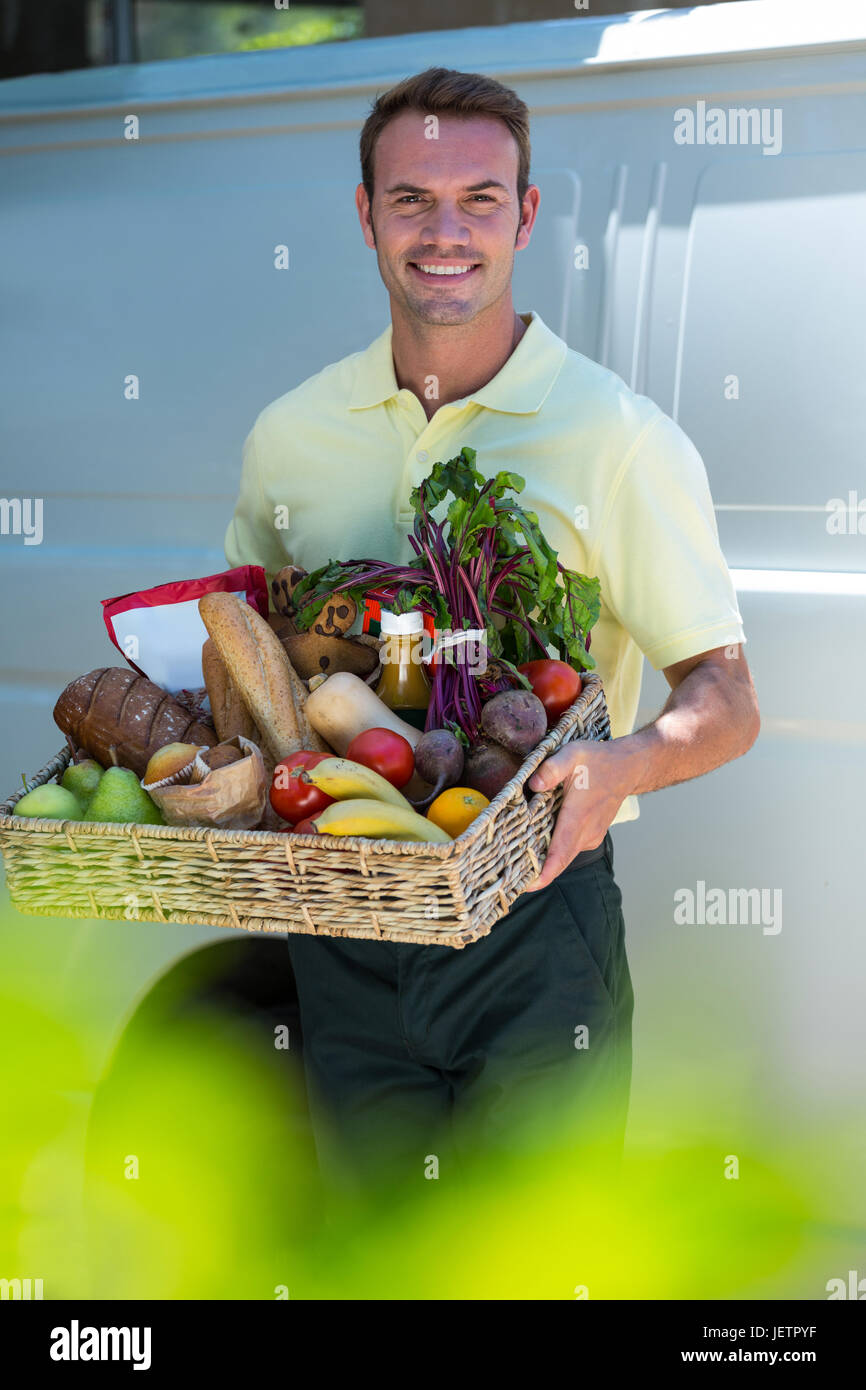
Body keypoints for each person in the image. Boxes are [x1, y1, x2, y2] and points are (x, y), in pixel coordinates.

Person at [224, 67, 760, 1196]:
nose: (444, 232)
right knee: (384, 1267)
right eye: (411, 199)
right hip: (342, 927)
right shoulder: (289, 435)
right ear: (364, 215)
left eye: (478, 197)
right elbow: (253, 666)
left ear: (524, 213)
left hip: (532, 931)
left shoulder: (619, 438)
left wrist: (620, 766)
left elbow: (724, 698)